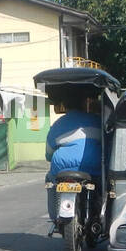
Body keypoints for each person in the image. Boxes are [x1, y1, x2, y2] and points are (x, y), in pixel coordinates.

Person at [46, 93, 102, 225]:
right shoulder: (96, 120)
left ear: (65, 106)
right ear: (84, 104)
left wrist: (51, 158)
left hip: (61, 166)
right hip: (93, 165)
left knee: (50, 181)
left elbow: (49, 153)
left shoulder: (57, 124)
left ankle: (55, 216)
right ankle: (100, 213)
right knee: (101, 185)